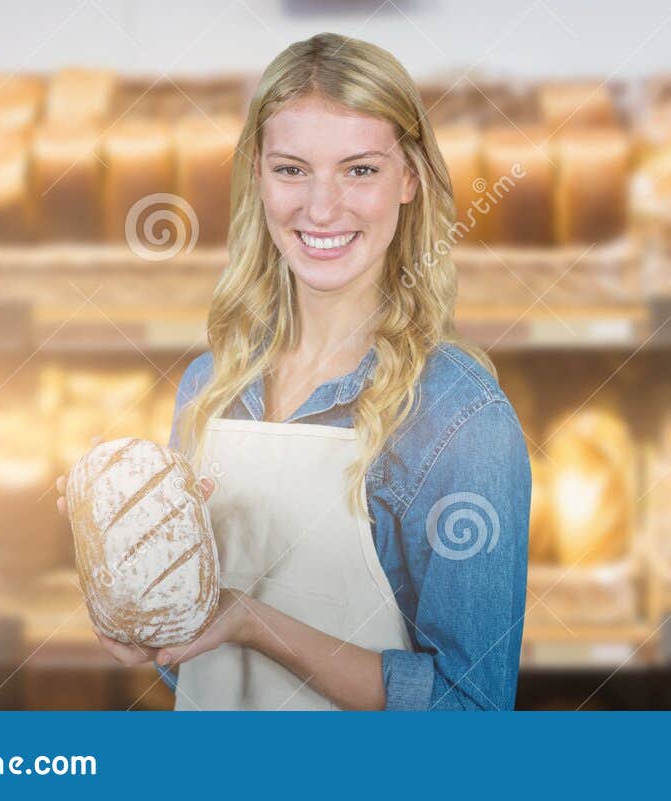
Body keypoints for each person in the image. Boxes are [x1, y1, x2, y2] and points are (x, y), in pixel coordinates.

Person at [57, 33, 530, 711]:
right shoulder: (210, 386)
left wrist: (256, 622)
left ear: (410, 178)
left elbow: (471, 715)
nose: (322, 207)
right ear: (257, 173)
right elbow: (197, 671)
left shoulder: (459, 418)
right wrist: (142, 608)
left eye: (360, 170)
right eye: (292, 169)